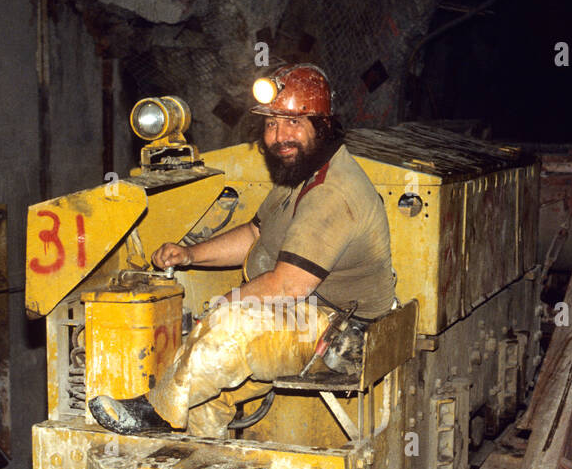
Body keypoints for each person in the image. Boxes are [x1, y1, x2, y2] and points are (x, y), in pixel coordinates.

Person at [90, 63, 396, 437]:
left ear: (323, 125)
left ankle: (156, 413)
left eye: (292, 123)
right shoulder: (301, 170)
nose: (278, 136)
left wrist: (223, 306)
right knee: (207, 389)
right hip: (311, 314)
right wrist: (190, 255)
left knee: (231, 327)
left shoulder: (332, 192)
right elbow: (256, 234)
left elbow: (287, 287)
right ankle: (201, 455)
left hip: (341, 332)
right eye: (271, 124)